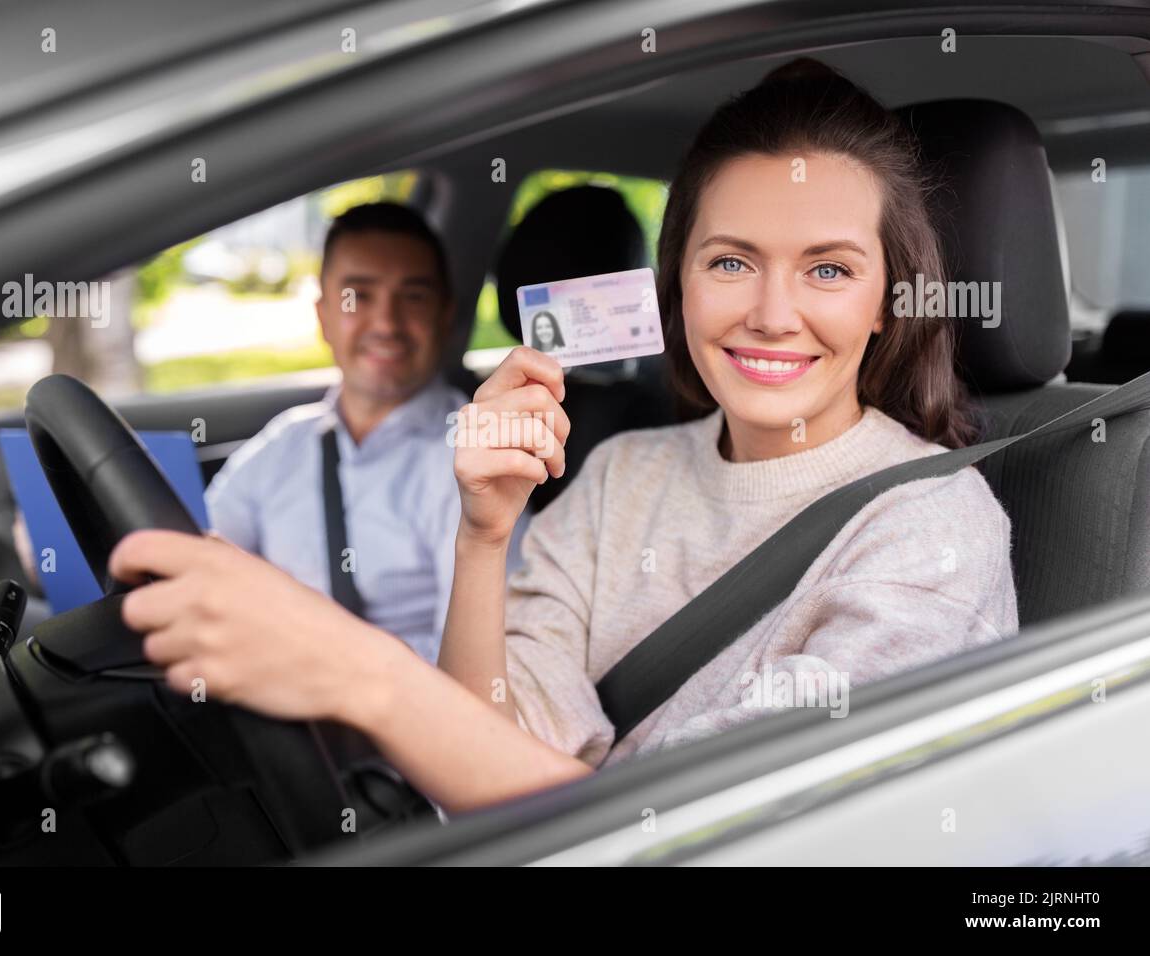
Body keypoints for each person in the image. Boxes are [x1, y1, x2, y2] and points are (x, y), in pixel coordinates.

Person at [108, 59, 1018, 814]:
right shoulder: (623, 472)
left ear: (887, 303)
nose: (771, 315)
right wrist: (485, 533)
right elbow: (486, 752)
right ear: (682, 287)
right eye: (732, 262)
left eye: (828, 269)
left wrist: (364, 676)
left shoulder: (931, 525)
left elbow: (720, 835)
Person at [204, 202, 505, 663]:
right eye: (357, 297)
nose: (385, 324)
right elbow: (204, 558)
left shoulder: (479, 464)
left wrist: (296, 653)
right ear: (323, 314)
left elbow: (477, 665)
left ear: (446, 314)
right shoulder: (283, 444)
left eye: (413, 297)